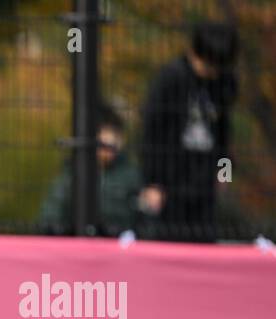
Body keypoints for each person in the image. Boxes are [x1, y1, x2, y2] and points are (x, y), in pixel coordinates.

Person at [138, 21, 238, 242]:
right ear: (193, 53)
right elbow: (150, 131)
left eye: (217, 67)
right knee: (167, 243)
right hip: (170, 178)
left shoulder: (224, 84)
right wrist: (152, 182)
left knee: (204, 240)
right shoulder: (170, 79)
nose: (211, 71)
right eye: (207, 64)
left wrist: (225, 172)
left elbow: (224, 133)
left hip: (204, 181)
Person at [39, 103, 143, 237]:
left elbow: (143, 220)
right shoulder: (71, 173)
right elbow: (51, 214)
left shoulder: (131, 175)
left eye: (114, 137)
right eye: (103, 137)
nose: (109, 143)